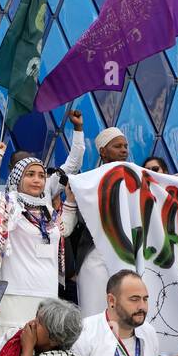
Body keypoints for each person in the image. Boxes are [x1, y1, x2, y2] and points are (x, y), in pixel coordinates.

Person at [0, 143, 78, 343]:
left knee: (39, 352)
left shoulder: (48, 210)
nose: (37, 179)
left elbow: (64, 229)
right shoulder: (6, 203)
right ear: (17, 177)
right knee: (8, 353)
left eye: (41, 175)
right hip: (13, 294)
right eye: (30, 174)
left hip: (46, 295)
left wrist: (71, 202)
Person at [67, 125, 126, 315]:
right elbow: (82, 219)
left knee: (124, 313)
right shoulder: (87, 181)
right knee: (94, 314)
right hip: (95, 254)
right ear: (103, 151)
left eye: (125, 146)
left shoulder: (136, 179)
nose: (124, 150)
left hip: (126, 254)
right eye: (117, 146)